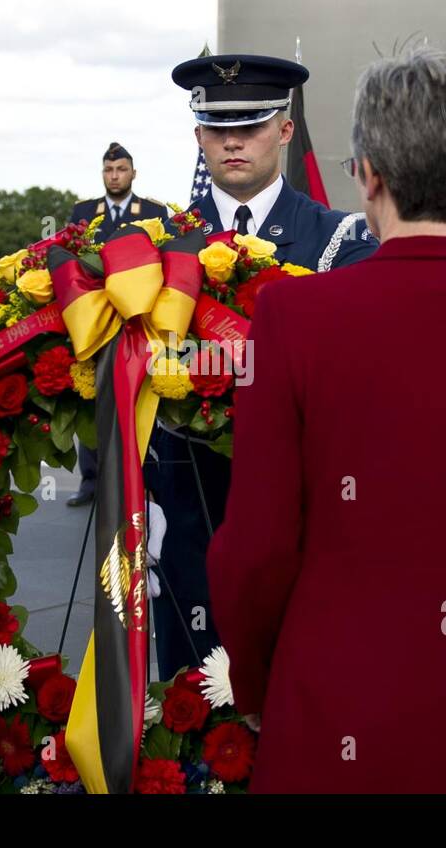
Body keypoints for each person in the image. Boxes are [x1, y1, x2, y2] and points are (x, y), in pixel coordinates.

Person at [206, 46, 446, 793]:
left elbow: (254, 549)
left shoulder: (292, 317)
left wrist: (257, 687)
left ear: (369, 172)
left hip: (340, 703)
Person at [145, 54, 379, 682]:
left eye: (249, 125)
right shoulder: (154, 248)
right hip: (186, 521)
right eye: (217, 128)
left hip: (300, 533)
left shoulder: (341, 242)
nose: (232, 141)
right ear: (198, 136)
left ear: (284, 130)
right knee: (188, 724)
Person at [66, 142, 171, 507]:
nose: (115, 176)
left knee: (143, 394)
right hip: (98, 319)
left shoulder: (154, 211)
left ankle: (144, 476)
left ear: (133, 173)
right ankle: (91, 482)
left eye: (121, 169)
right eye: (109, 170)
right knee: (94, 396)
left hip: (140, 319)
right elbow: (72, 263)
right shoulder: (83, 212)